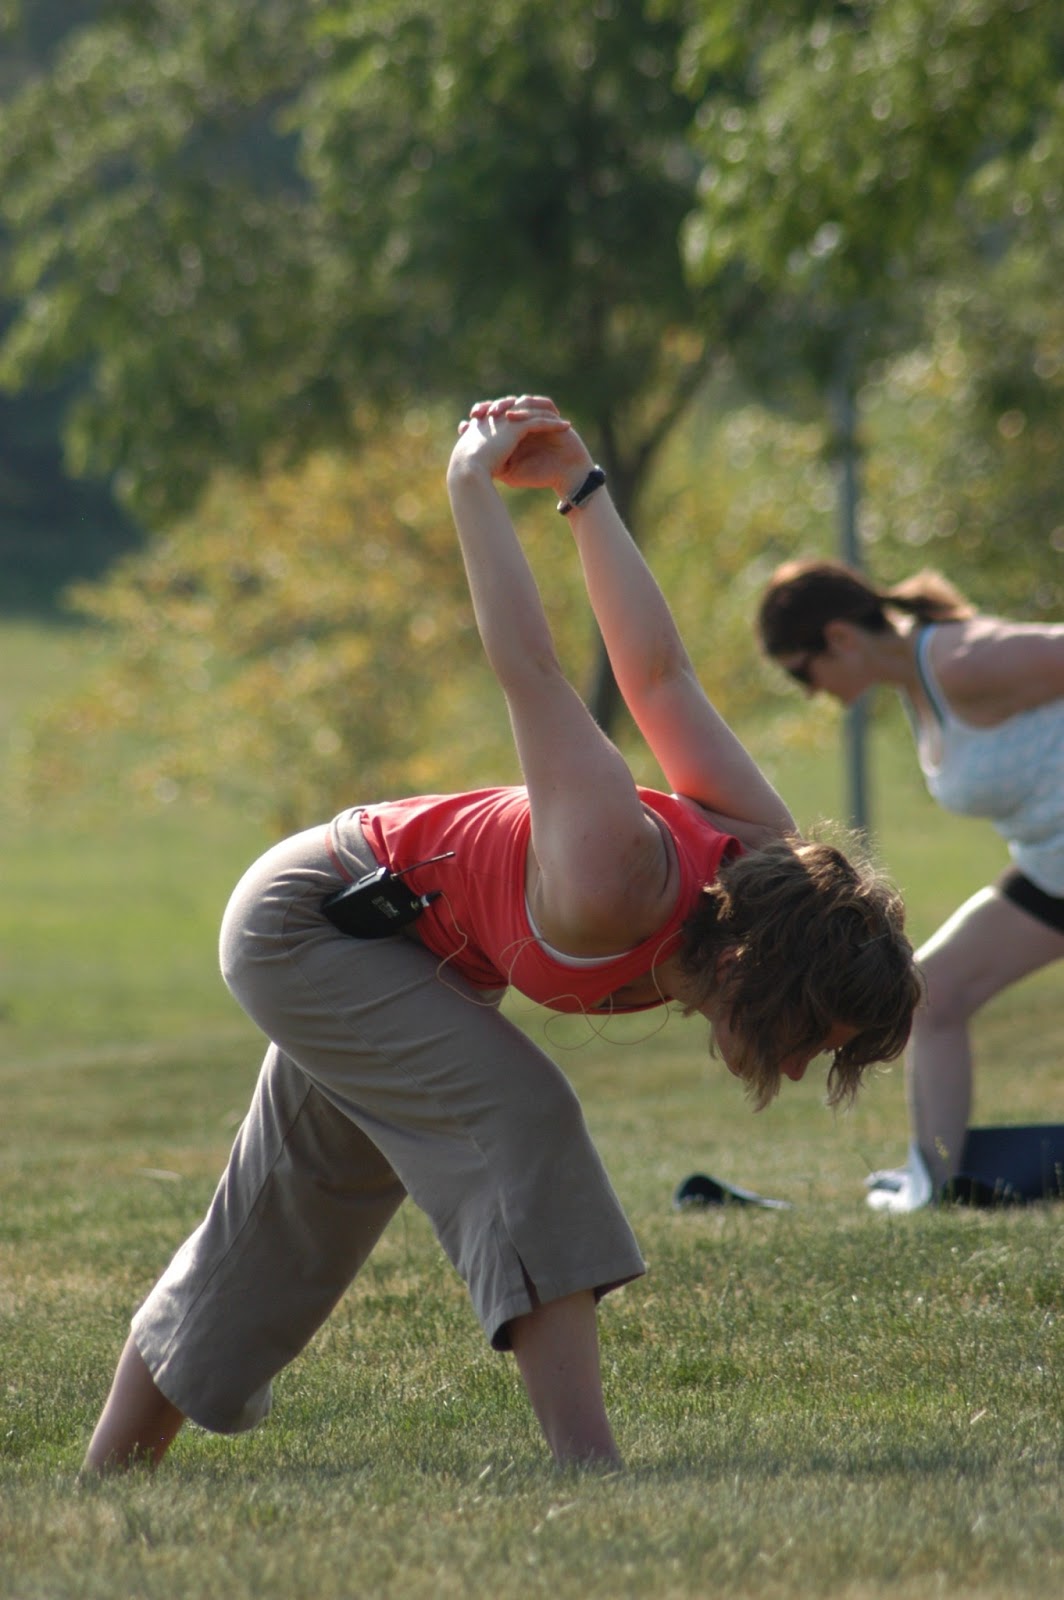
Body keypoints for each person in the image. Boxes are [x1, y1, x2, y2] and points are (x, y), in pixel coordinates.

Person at [83, 398, 919, 1478]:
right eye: (809, 1036)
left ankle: (109, 1477)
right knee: (524, 1116)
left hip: (408, 958)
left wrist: (582, 487)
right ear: (759, 968)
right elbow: (533, 670)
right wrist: (472, 487)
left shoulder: (761, 853)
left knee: (288, 1212)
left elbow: (660, 678)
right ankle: (588, 1465)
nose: (796, 1067)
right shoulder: (613, 869)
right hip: (309, 923)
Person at [757, 558, 1064, 1211]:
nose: (807, 691)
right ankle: (933, 1181)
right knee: (932, 992)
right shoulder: (920, 681)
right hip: (1051, 872)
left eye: (800, 671)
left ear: (840, 638)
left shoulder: (962, 659)